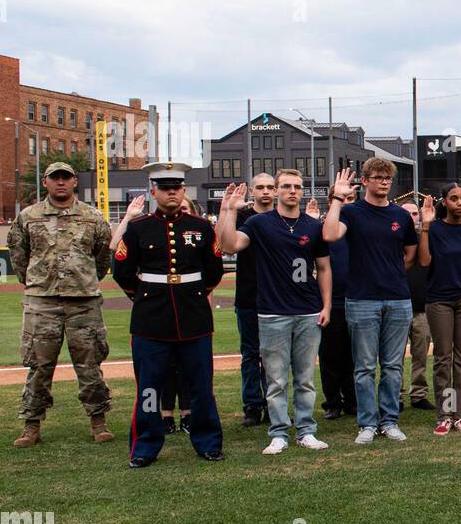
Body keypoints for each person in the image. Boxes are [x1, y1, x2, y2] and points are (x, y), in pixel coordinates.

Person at [111, 162, 225, 467]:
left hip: (194, 316)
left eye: (176, 187)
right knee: (149, 387)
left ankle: (207, 441)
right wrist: (144, 297)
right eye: (165, 188)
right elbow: (121, 270)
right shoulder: (138, 229)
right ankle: (145, 445)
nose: (171, 193)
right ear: (153, 191)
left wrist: (197, 295)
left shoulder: (202, 228)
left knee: (201, 385)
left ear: (184, 190)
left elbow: (213, 271)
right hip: (151, 319)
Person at [218, 172, 332, 454]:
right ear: (277, 191)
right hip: (272, 312)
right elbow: (228, 245)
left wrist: (326, 305)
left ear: (302, 192)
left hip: (307, 310)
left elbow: (325, 268)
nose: (292, 191)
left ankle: (306, 430)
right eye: (286, 186)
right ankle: (279, 432)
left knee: (305, 378)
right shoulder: (258, 223)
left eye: (297, 187)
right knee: (276, 379)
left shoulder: (313, 225)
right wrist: (229, 210)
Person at [6, 159, 115, 448]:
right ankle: (31, 424)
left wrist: (85, 280)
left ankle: (98, 420)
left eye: (66, 177)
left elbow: (102, 256)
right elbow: (19, 255)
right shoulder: (28, 217)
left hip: (83, 301)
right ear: (46, 183)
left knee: (90, 363)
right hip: (42, 301)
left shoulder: (92, 217)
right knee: (39, 366)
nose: (61, 182)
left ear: (74, 182)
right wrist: (35, 281)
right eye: (55, 178)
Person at [321, 160, 417, 444]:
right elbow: (328, 235)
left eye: (388, 178)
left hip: (398, 298)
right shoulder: (351, 211)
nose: (384, 182)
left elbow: (410, 254)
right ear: (364, 181)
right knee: (363, 366)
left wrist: (391, 273)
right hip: (362, 299)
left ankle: (389, 421)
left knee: (392, 366)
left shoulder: (401, 215)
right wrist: (337, 198)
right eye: (377, 177)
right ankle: (367, 423)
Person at [418, 184, 461, 435]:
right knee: (443, 358)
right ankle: (444, 415)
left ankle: (460, 415)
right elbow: (424, 261)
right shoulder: (434, 228)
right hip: (439, 300)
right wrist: (425, 226)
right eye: (454, 199)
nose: (460, 203)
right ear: (445, 202)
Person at [233, 173, 276, 427]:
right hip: (249, 296)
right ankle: (252, 405)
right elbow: (224, 243)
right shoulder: (241, 218)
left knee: (275, 356)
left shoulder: (283, 218)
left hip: (276, 297)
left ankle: (274, 405)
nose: (266, 192)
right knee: (250, 354)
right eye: (260, 187)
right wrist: (229, 209)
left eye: (270, 187)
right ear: (252, 190)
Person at [319, 184, 356, 421]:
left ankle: (353, 401)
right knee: (330, 356)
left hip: (358, 299)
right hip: (332, 301)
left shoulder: (360, 226)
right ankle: (332, 402)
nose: (346, 202)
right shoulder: (324, 229)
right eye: (341, 198)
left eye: (351, 197)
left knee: (356, 357)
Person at [402, 200, 435, 412]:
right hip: (398, 305)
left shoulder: (427, 239)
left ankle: (418, 394)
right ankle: (396, 396)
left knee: (421, 355)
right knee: (393, 358)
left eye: (415, 213)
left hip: (422, 307)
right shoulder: (391, 239)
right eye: (407, 214)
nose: (411, 218)